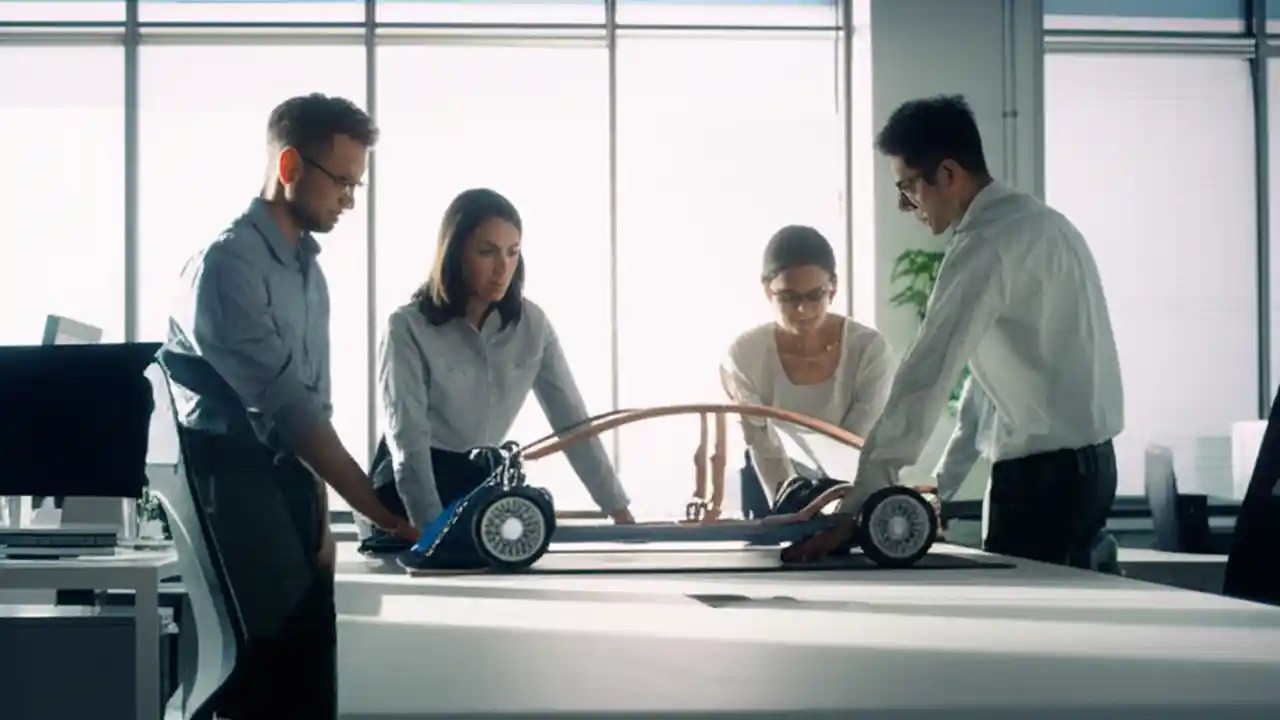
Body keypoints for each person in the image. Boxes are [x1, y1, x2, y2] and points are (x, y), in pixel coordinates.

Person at [783, 94, 1124, 567]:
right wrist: (943, 483)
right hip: (1092, 471)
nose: (906, 206)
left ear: (947, 174)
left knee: (1019, 631)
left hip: (1043, 483)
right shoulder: (1046, 225)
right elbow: (990, 385)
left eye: (908, 189)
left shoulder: (985, 243)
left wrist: (862, 502)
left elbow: (928, 371)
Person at [159, 92, 416, 719]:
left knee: (316, 655)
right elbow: (290, 410)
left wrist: (322, 521)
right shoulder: (228, 266)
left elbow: (311, 409)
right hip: (231, 480)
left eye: (358, 185)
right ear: (291, 167)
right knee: (276, 666)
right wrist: (379, 511)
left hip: (282, 486)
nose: (350, 200)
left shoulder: (308, 270)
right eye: (342, 182)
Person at [365, 187, 634, 549]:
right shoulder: (407, 327)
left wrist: (619, 512)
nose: (502, 268)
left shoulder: (533, 325)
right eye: (487, 252)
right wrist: (432, 533)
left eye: (513, 252)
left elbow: (573, 424)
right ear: (455, 252)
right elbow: (408, 442)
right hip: (405, 496)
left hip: (477, 486)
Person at [719, 225, 897, 517]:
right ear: (767, 290)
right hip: (776, 489)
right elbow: (764, 447)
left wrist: (832, 517)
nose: (803, 309)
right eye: (789, 298)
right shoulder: (744, 356)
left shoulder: (869, 350)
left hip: (854, 487)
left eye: (816, 295)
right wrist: (794, 514)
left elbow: (854, 443)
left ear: (834, 287)